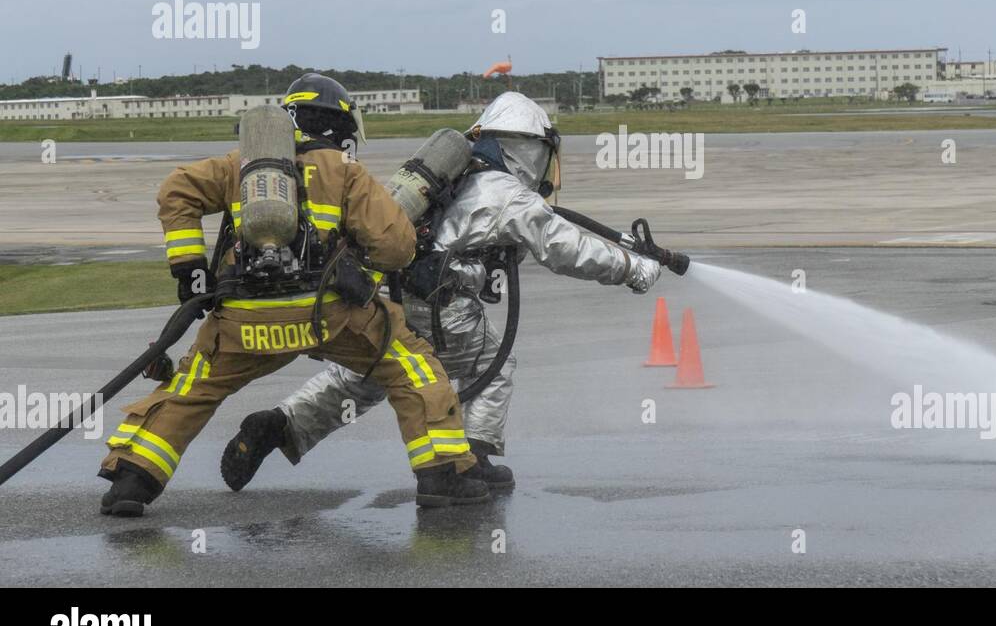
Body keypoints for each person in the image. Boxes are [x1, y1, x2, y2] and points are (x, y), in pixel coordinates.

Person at [220, 91, 661, 491]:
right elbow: (565, 247)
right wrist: (633, 269)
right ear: (531, 147)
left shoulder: (450, 173)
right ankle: (473, 458)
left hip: (391, 290)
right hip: (441, 305)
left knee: (369, 375)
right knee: (493, 360)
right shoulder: (505, 192)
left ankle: (280, 424)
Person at [98, 73, 489, 516]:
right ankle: (443, 476)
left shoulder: (236, 165)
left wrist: (189, 269)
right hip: (327, 316)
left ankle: (131, 480)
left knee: (193, 387)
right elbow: (395, 246)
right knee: (413, 368)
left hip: (244, 320)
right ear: (340, 127)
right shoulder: (344, 172)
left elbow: (176, 191)